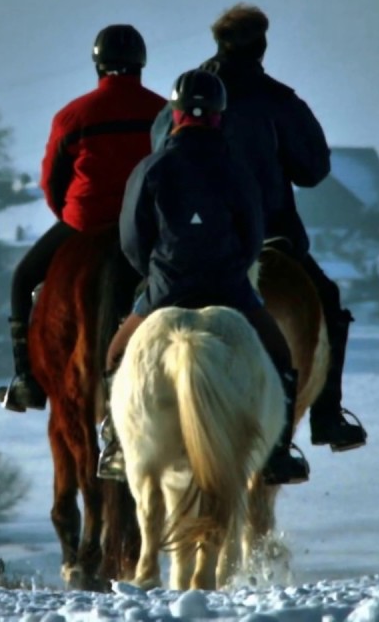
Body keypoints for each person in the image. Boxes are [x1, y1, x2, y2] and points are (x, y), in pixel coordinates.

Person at [150, 3, 368, 454]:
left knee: (133, 315)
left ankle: (119, 427)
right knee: (327, 303)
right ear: (262, 45)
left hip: (185, 245)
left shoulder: (181, 96)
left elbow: (153, 156)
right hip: (269, 237)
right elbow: (313, 170)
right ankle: (327, 416)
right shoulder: (279, 100)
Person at [97, 68, 310, 486]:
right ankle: (278, 452)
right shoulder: (238, 169)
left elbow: (131, 239)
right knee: (282, 357)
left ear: (175, 116)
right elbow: (252, 238)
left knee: (116, 356)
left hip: (164, 291)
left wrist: (156, 276)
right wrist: (230, 272)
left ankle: (118, 445)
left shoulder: (150, 167)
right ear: (219, 116)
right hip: (230, 291)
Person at [0, 24, 167, 413]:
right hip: (147, 231)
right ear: (141, 64)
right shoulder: (163, 114)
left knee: (23, 278)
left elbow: (51, 182)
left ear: (98, 66)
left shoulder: (73, 115)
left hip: (85, 225)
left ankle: (26, 381)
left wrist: (71, 220)